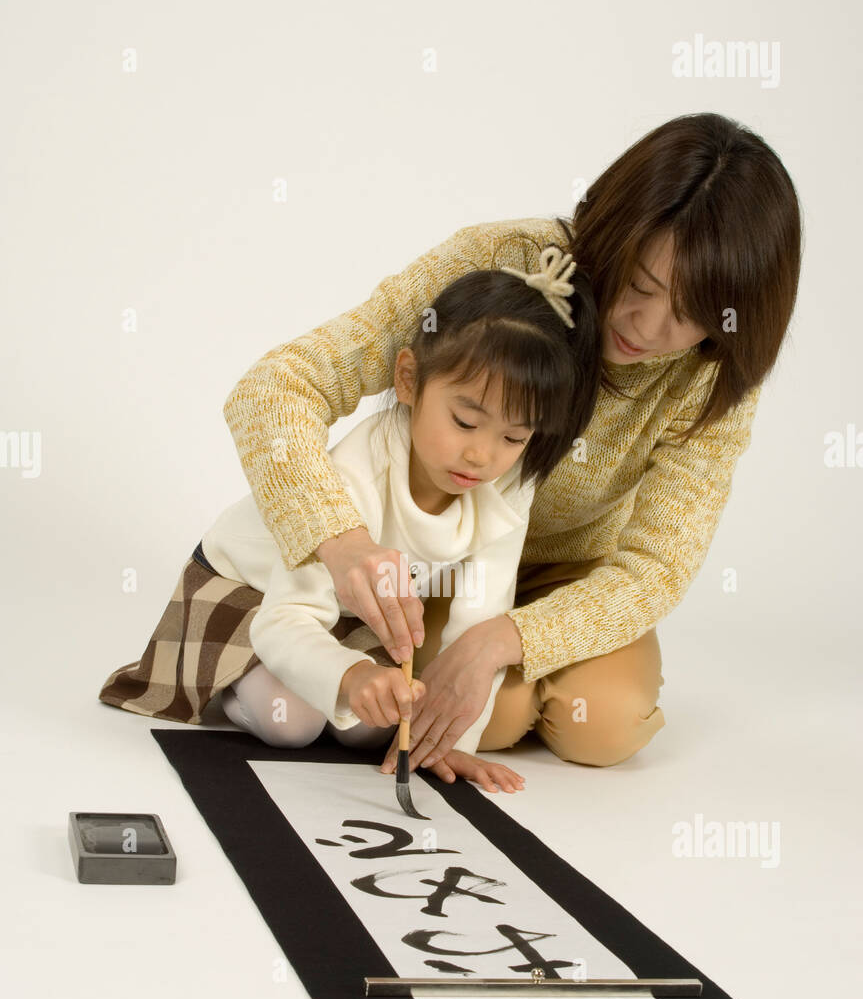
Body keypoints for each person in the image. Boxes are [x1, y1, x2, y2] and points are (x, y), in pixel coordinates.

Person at [214, 112, 801, 775]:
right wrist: (341, 540)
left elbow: (657, 567)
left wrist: (510, 637)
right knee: (478, 721)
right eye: (638, 285)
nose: (646, 325)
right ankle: (497, 692)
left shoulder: (715, 378)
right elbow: (275, 387)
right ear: (609, 231)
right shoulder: (505, 264)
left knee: (606, 728)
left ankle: (518, 671)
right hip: (441, 556)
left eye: (690, 312)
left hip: (570, 572)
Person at [98, 248, 603, 793]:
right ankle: (231, 688)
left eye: (514, 436)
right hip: (253, 594)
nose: (483, 456)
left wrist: (456, 741)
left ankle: (330, 684)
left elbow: (482, 613)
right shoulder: (356, 474)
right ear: (409, 380)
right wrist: (352, 675)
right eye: (464, 420)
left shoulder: (507, 485)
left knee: (379, 724)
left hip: (347, 612)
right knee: (290, 720)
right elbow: (284, 618)